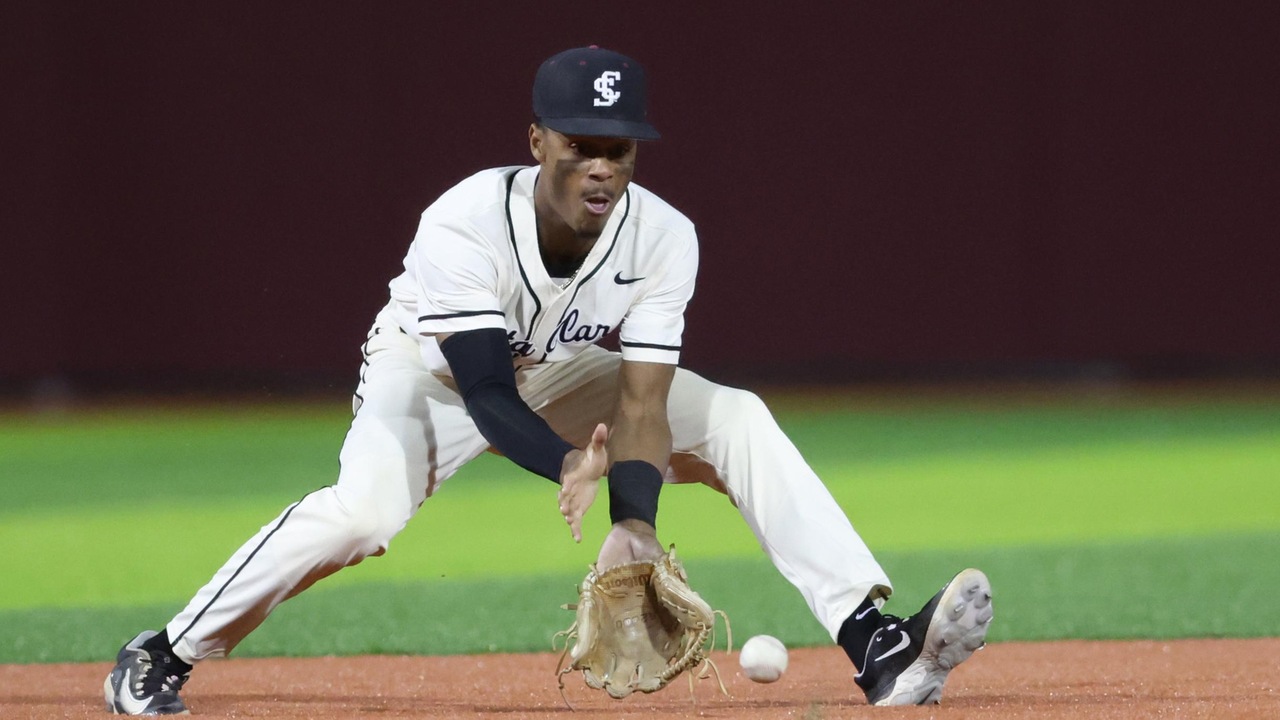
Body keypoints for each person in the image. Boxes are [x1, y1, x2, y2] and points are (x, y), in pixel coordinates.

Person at [104, 45, 993, 715]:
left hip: (561, 369)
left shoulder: (663, 236)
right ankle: (166, 650)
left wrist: (634, 523)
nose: (603, 165)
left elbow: (643, 401)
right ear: (538, 142)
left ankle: (874, 643)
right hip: (433, 375)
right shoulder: (462, 224)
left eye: (622, 147)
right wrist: (570, 464)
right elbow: (489, 394)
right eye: (581, 145)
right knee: (362, 516)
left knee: (734, 418)